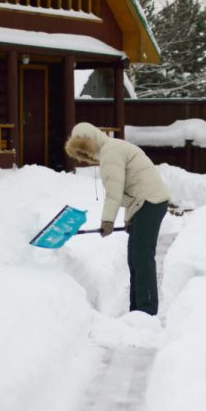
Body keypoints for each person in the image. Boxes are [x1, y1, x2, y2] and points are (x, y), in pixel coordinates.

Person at [64, 122, 170, 316]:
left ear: (91, 141)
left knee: (142, 258)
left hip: (150, 202)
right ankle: (137, 311)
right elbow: (132, 189)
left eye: (85, 150)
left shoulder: (110, 153)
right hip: (146, 202)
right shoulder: (113, 148)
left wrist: (108, 222)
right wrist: (130, 219)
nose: (87, 157)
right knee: (134, 258)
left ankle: (146, 311)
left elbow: (114, 192)